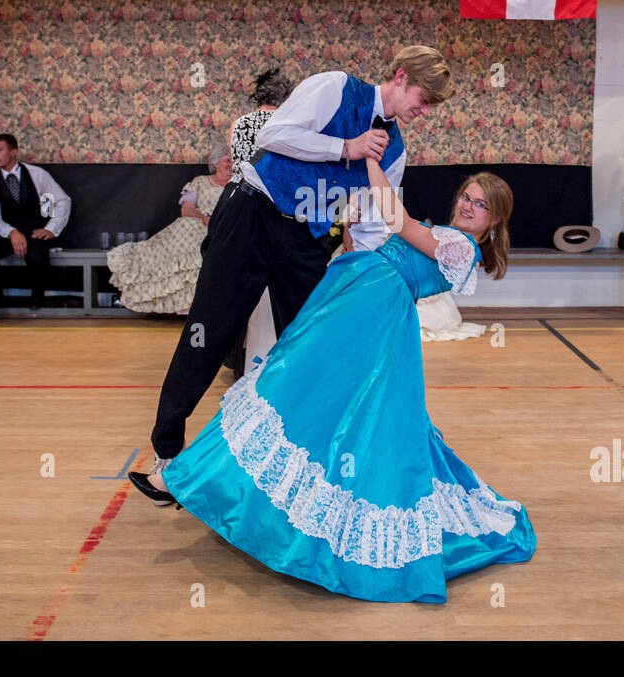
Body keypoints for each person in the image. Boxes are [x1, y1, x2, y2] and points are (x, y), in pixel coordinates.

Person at [153, 165, 533, 603]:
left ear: (495, 221)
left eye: (480, 204)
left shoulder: (462, 248)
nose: (468, 205)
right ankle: (200, 480)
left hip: (372, 311)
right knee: (300, 392)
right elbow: (393, 246)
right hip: (362, 297)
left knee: (290, 386)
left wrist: (371, 157)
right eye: (467, 196)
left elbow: (398, 220)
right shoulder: (447, 234)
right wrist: (352, 239)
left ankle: (188, 478)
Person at [129, 45, 456, 504]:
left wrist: (361, 276)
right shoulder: (336, 87)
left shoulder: (395, 149)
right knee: (209, 335)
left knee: (307, 348)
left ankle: (299, 468)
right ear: (400, 76)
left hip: (307, 240)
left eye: (431, 107)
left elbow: (369, 218)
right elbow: (276, 134)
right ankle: (168, 454)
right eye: (424, 98)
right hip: (252, 214)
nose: (424, 111)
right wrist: (345, 147)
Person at [106, 141, 233, 315]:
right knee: (186, 226)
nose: (231, 164)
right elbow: (186, 209)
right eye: (227, 160)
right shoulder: (199, 182)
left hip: (225, 229)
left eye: (234, 160)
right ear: (217, 162)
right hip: (198, 225)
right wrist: (203, 217)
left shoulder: (238, 184)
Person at [223, 69, 295, 373]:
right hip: (278, 213)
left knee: (241, 288)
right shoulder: (290, 124)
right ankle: (276, 358)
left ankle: (242, 359)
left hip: (239, 211)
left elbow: (236, 170)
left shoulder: (237, 125)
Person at [0, 133, 72, 324]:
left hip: (35, 229)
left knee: (36, 256)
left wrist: (50, 228)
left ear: (13, 152)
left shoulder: (37, 174)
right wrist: (11, 232)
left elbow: (61, 200)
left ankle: (38, 294)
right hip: (7, 231)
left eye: (0, 150)